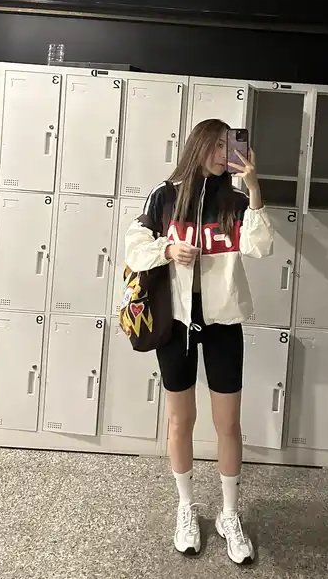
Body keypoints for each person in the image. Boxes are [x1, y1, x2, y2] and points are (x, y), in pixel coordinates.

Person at [124, 118, 274, 565]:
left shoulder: (237, 200)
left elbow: (261, 246)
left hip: (223, 321)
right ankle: (186, 507)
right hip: (176, 323)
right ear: (198, 146)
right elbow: (134, 246)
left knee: (228, 424)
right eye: (217, 146)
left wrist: (254, 186)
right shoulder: (165, 195)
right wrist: (168, 250)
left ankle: (229, 514)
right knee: (180, 421)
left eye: (230, 146)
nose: (224, 154)